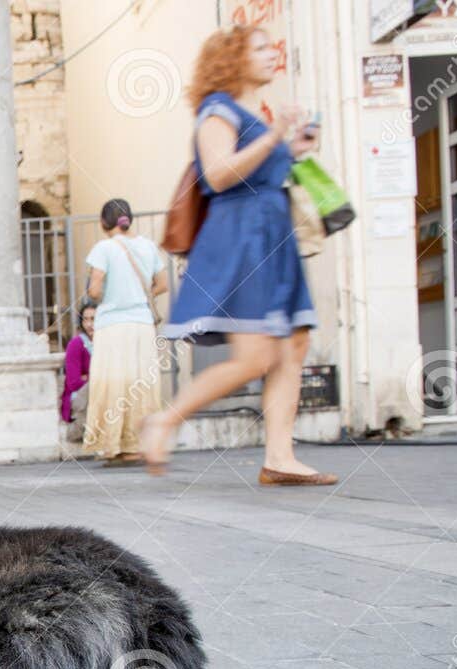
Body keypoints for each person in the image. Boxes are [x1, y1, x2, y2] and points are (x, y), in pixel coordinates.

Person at [146, 24, 334, 486]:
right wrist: (275, 137)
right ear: (232, 59)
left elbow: (260, 170)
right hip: (243, 238)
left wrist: (292, 149)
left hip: (271, 235)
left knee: (293, 343)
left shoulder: (250, 113)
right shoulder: (219, 110)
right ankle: (164, 421)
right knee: (255, 357)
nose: (273, 54)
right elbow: (220, 173)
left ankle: (280, 457)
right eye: (260, 49)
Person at [82, 200, 167, 466]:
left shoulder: (104, 248)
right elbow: (162, 284)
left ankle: (114, 444)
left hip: (112, 326)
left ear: (104, 223)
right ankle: (141, 445)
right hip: (141, 324)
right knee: (141, 384)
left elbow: (95, 290)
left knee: (112, 384)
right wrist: (140, 296)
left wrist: (104, 296)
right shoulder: (148, 246)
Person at [61, 300, 94, 439]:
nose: (89, 324)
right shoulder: (77, 344)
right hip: (79, 397)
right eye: (85, 319)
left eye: (93, 319)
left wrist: (88, 376)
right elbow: (73, 382)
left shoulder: (107, 342)